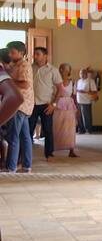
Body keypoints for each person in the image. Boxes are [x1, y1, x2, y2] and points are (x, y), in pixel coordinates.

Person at [4, 42, 33, 173]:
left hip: (19, 105)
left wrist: (8, 79)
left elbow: (25, 84)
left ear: (21, 53)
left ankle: (11, 168)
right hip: (24, 105)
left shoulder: (24, 65)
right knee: (25, 136)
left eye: (13, 52)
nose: (10, 54)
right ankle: (27, 166)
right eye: (9, 52)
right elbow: (8, 70)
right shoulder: (14, 64)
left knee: (13, 136)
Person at [29, 47, 61, 161]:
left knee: (47, 130)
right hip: (31, 104)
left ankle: (49, 154)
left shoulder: (53, 70)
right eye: (34, 54)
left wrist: (54, 105)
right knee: (28, 130)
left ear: (45, 56)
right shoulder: (30, 68)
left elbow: (60, 89)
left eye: (38, 54)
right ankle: (25, 155)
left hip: (46, 104)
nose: (35, 56)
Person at [51, 64, 78, 157]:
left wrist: (76, 109)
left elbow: (74, 96)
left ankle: (71, 150)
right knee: (56, 126)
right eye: (62, 69)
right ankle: (52, 149)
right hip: (58, 104)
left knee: (70, 128)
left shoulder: (72, 82)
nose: (64, 71)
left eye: (66, 70)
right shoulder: (56, 82)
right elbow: (53, 94)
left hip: (69, 104)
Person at [75, 67, 98, 134]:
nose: (81, 75)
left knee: (87, 116)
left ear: (86, 74)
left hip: (86, 101)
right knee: (80, 117)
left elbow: (94, 91)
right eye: (80, 73)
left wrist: (84, 92)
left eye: (82, 73)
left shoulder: (90, 81)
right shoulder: (79, 81)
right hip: (79, 101)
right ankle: (81, 130)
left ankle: (88, 130)